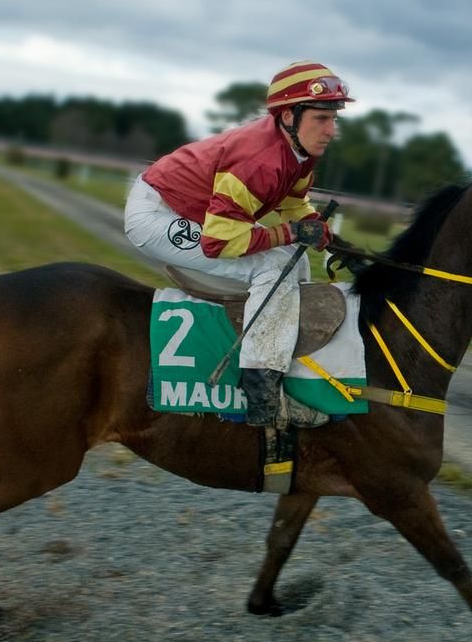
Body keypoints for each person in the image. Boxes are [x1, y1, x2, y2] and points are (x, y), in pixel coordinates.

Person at [124, 61, 353, 427]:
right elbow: (220, 242)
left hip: (191, 211)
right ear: (289, 117)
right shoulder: (259, 161)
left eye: (334, 118)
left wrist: (333, 242)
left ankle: (287, 366)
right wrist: (292, 234)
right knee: (275, 264)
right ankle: (259, 387)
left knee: (297, 265)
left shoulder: (299, 152)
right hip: (157, 215)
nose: (331, 130)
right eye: (321, 119)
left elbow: (293, 205)